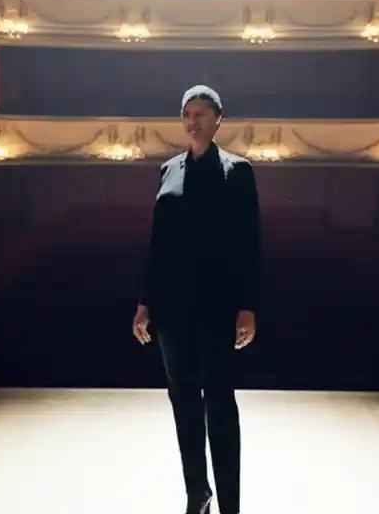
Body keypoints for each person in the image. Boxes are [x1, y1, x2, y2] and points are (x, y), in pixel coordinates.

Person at [133, 84, 261, 514]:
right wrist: (144, 303)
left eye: (202, 113)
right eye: (187, 113)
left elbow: (249, 243)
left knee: (220, 403)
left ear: (219, 118)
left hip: (218, 305)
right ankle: (197, 493)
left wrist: (247, 306)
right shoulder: (167, 170)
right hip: (171, 308)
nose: (193, 121)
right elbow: (157, 242)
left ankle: (230, 504)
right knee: (184, 402)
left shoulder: (238, 171)